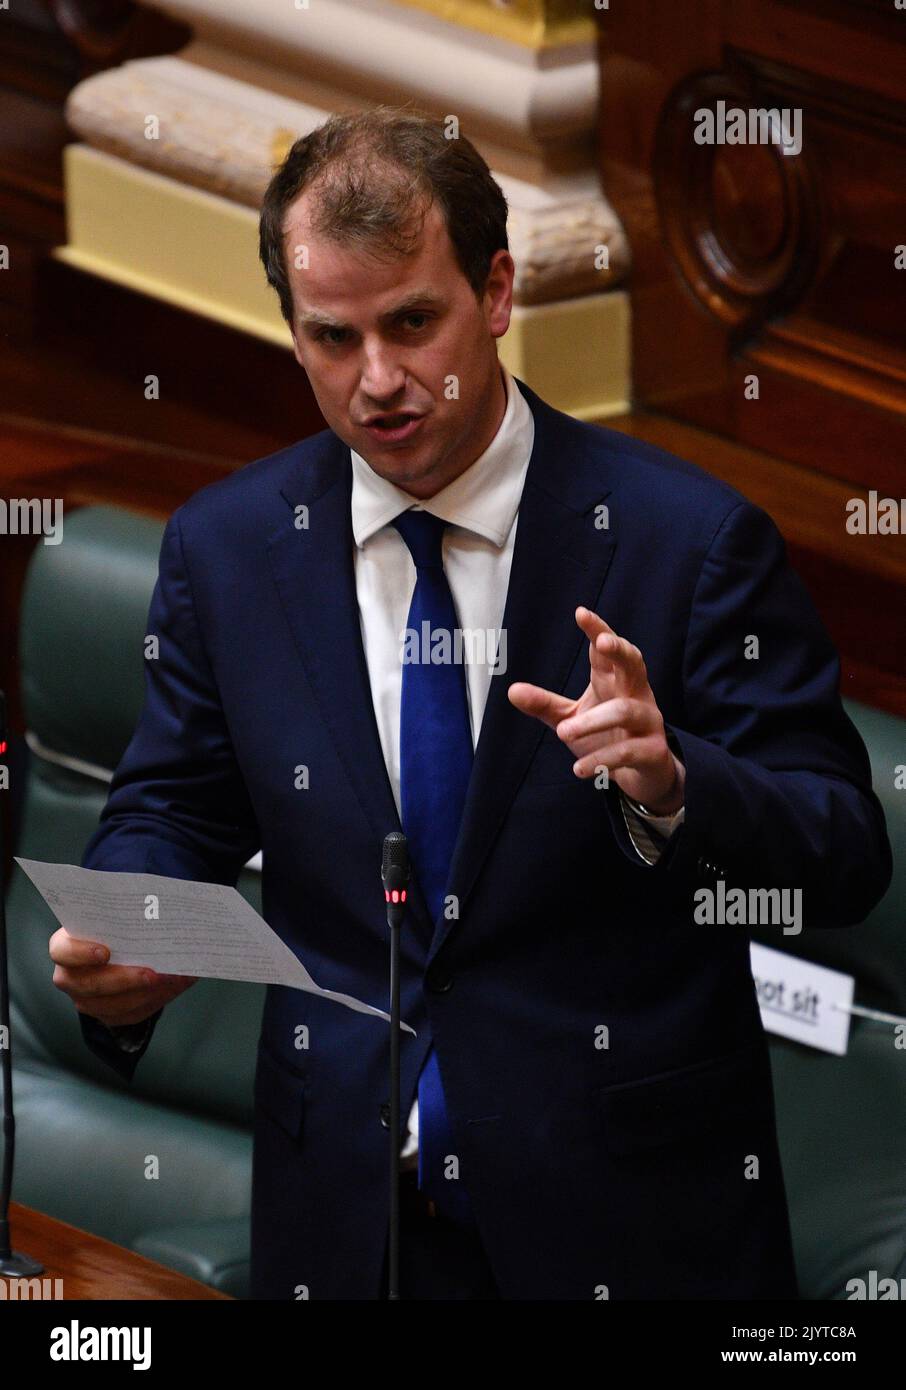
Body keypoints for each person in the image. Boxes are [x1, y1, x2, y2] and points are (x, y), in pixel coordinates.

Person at [49, 107, 892, 1301]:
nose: (378, 381)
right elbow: (174, 804)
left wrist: (675, 783)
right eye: (331, 337)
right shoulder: (231, 551)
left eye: (411, 323)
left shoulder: (684, 545)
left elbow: (845, 854)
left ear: (495, 292)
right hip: (349, 1221)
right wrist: (132, 921)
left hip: (627, 1227)